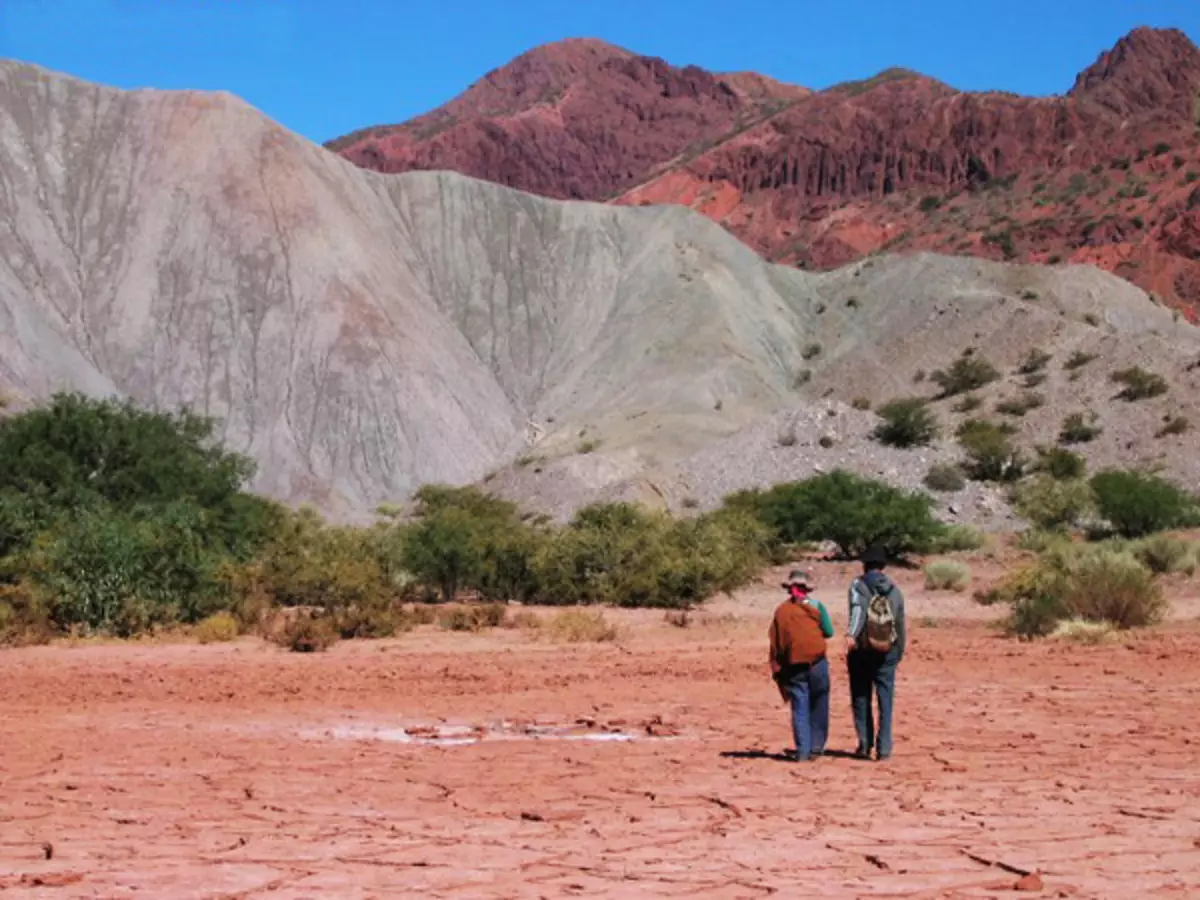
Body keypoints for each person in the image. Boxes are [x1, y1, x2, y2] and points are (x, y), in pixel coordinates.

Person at [845, 545, 907, 762]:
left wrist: (851, 635)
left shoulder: (858, 585)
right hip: (888, 650)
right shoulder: (894, 589)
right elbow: (899, 622)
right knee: (886, 700)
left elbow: (857, 610)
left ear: (865, 565)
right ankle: (885, 748)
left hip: (863, 651)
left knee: (861, 697)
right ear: (883, 566)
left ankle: (865, 744)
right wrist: (899, 651)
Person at [769, 569, 835, 762]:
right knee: (819, 702)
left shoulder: (782, 611)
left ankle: (803, 751)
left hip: (794, 665)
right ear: (807, 589)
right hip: (818, 662)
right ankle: (816, 746)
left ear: (789, 589)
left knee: (799, 705)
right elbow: (829, 632)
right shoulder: (817, 606)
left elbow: (777, 642)